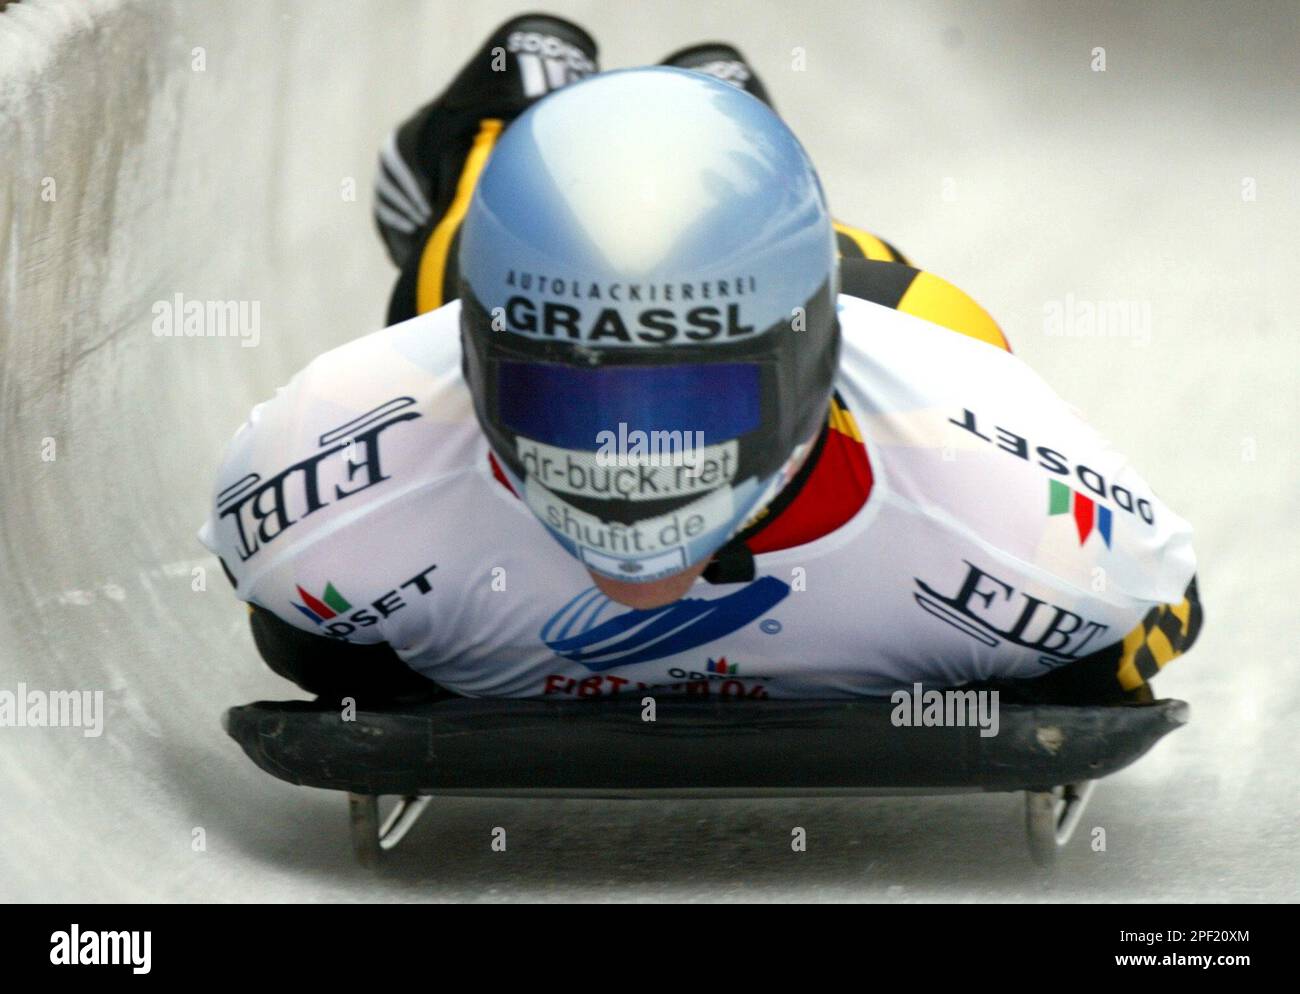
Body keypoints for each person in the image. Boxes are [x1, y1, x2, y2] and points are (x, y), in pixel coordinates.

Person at [200, 15, 1201, 706]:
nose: (628, 464)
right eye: (569, 397)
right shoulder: (327, 484)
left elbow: (1154, 604)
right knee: (441, 286)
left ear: (811, 360)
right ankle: (497, 130)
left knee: (951, 321)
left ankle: (698, 122)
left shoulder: (1007, 490)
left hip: (874, 330)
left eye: (691, 394)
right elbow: (1139, 629)